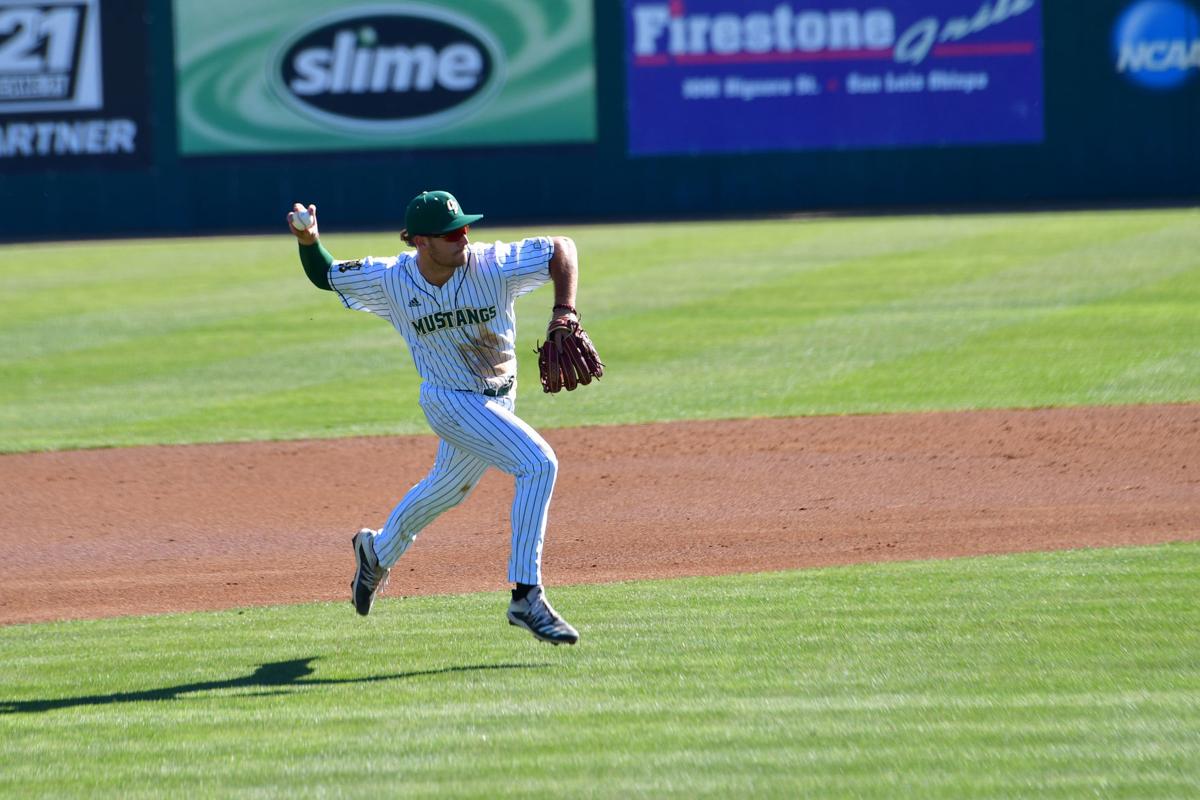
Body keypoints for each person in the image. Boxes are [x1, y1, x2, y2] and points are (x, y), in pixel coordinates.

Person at [286, 190, 582, 645]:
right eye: (450, 233)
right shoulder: (390, 279)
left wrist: (564, 311)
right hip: (448, 400)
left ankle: (375, 551)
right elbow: (326, 275)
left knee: (445, 492)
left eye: (465, 227)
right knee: (538, 463)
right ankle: (526, 595)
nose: (463, 238)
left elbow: (563, 247)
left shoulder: (493, 264)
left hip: (499, 400)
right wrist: (309, 239)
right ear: (420, 241)